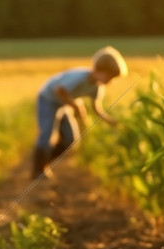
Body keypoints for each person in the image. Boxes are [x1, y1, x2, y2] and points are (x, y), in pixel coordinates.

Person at [32, 46, 128, 179]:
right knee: (47, 134)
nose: (110, 81)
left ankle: (44, 163)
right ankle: (37, 171)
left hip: (64, 104)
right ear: (99, 70)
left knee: (70, 138)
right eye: (109, 76)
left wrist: (112, 122)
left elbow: (97, 108)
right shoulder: (80, 77)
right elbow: (59, 90)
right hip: (48, 99)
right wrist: (76, 106)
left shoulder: (97, 87)